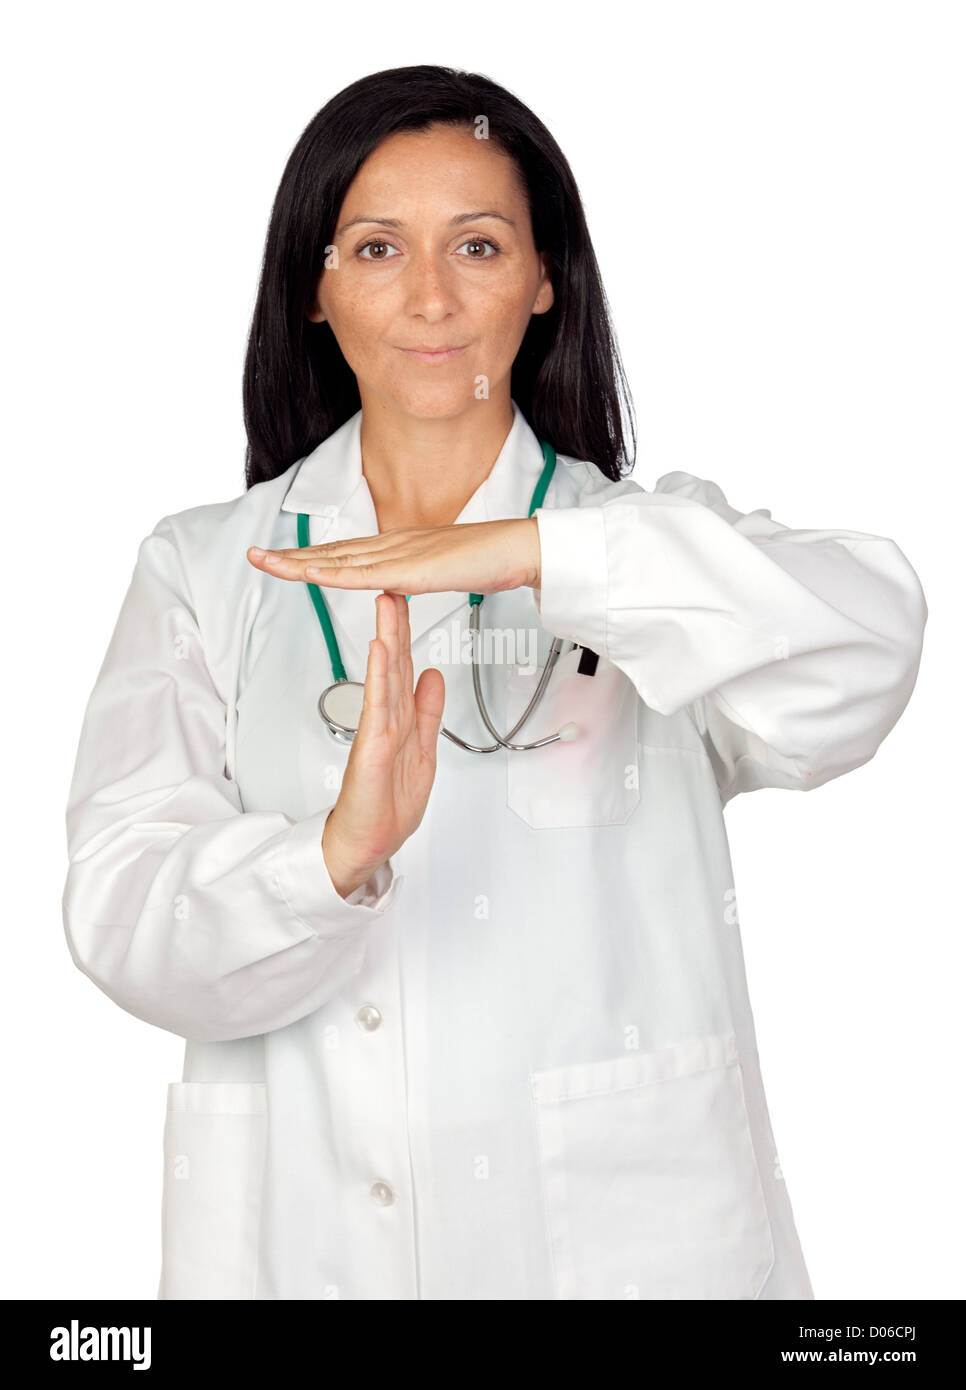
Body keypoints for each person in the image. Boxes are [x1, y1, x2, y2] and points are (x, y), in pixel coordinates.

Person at [61, 64, 928, 1301]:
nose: (428, 296)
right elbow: (121, 919)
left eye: (477, 244)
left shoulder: (651, 549)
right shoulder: (208, 569)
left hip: (622, 1257)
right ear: (312, 289)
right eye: (374, 247)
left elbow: (869, 646)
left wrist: (536, 553)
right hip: (302, 1249)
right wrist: (330, 858)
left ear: (543, 278)